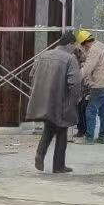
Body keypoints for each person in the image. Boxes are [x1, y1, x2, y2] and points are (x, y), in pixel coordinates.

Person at [27, 30, 81, 173]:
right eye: (74, 45)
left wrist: (38, 92)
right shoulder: (70, 59)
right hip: (61, 101)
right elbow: (75, 83)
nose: (74, 48)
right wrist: (73, 101)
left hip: (43, 100)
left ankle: (40, 154)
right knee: (62, 131)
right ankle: (58, 166)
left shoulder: (43, 55)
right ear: (69, 44)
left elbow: (31, 75)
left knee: (50, 127)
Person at [77, 29, 104, 144]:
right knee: (103, 112)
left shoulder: (93, 50)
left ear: (85, 43)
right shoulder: (102, 45)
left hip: (99, 86)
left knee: (90, 110)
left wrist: (75, 78)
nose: (84, 49)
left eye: (83, 47)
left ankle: (89, 138)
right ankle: (102, 137)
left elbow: (88, 68)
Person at [72, 38, 90, 138]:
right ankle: (82, 129)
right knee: (80, 109)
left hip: (84, 88)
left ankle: (83, 130)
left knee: (82, 109)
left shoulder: (83, 59)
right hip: (81, 87)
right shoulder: (78, 57)